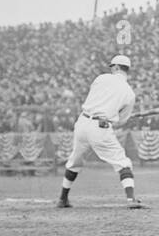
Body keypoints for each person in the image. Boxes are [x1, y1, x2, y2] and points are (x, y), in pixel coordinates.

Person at [58, 54, 145, 210]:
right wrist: (117, 117)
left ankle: (62, 198)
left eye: (112, 66)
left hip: (82, 123)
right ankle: (131, 199)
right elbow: (121, 120)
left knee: (74, 162)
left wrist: (112, 115)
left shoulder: (101, 78)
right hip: (100, 127)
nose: (111, 69)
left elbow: (97, 99)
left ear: (117, 67)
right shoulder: (130, 94)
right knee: (123, 163)